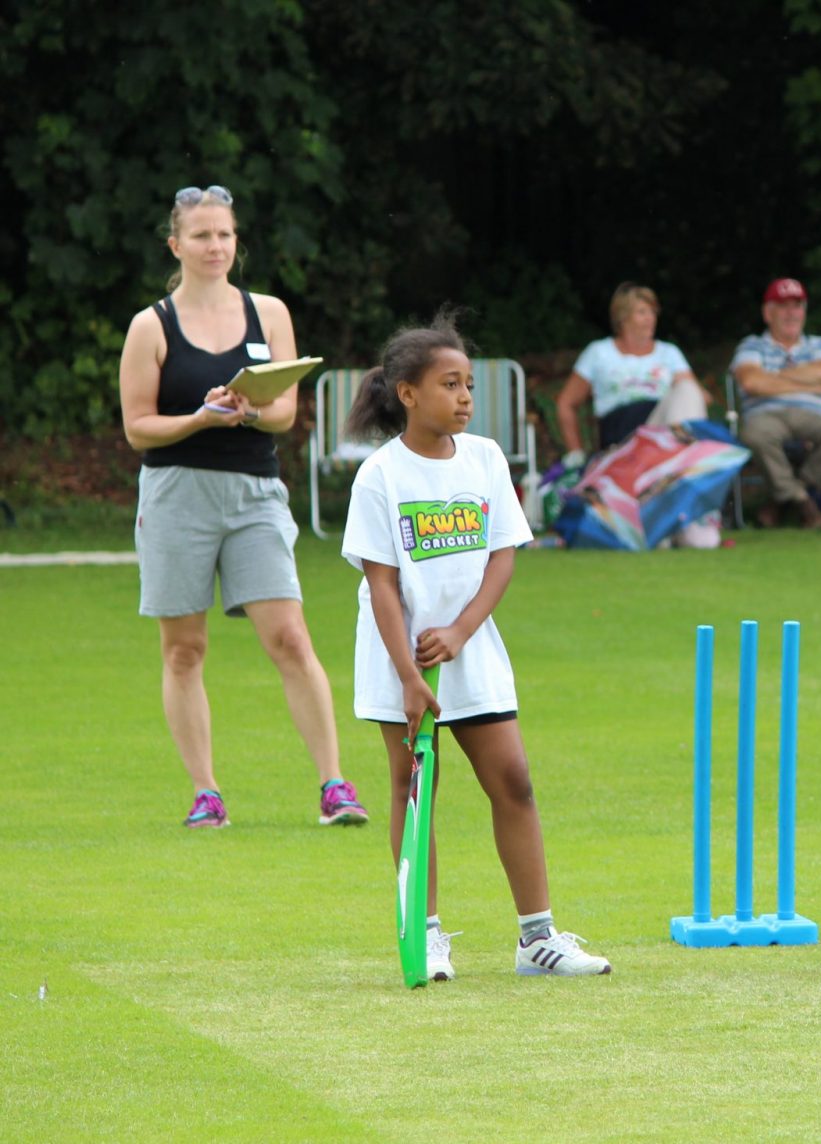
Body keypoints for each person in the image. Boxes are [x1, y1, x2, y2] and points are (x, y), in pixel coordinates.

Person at [340, 313, 612, 982]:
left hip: (471, 649)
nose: (465, 397)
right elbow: (381, 586)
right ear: (407, 392)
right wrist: (408, 675)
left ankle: (536, 941)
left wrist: (461, 632)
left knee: (514, 782)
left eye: (468, 384)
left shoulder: (486, 457)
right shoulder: (380, 475)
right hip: (399, 657)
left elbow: (502, 559)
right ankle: (425, 937)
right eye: (449, 384)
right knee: (413, 790)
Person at [118, 184, 367, 830]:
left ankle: (334, 785)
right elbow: (138, 428)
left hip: (255, 492)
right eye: (201, 236)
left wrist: (249, 409)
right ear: (177, 244)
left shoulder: (270, 313)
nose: (215, 246)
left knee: (289, 638)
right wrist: (199, 419)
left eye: (224, 234)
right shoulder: (152, 324)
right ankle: (206, 793)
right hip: (176, 495)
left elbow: (284, 412)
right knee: (184, 650)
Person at [555, 282, 718, 546]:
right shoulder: (599, 353)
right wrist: (576, 454)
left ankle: (684, 503)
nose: (650, 318)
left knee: (687, 389)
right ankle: (668, 515)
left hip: (662, 439)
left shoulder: (669, 353)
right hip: (623, 444)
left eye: (652, 312)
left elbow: (700, 397)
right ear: (623, 318)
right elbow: (566, 402)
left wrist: (685, 388)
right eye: (642, 312)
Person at [730, 278, 821, 529]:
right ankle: (804, 502)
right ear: (768, 312)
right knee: (755, 435)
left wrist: (773, 377)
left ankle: (781, 500)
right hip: (766, 415)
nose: (792, 313)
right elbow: (751, 382)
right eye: (783, 307)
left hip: (815, 416)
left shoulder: (819, 344)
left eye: (797, 306)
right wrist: (805, 383)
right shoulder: (752, 345)